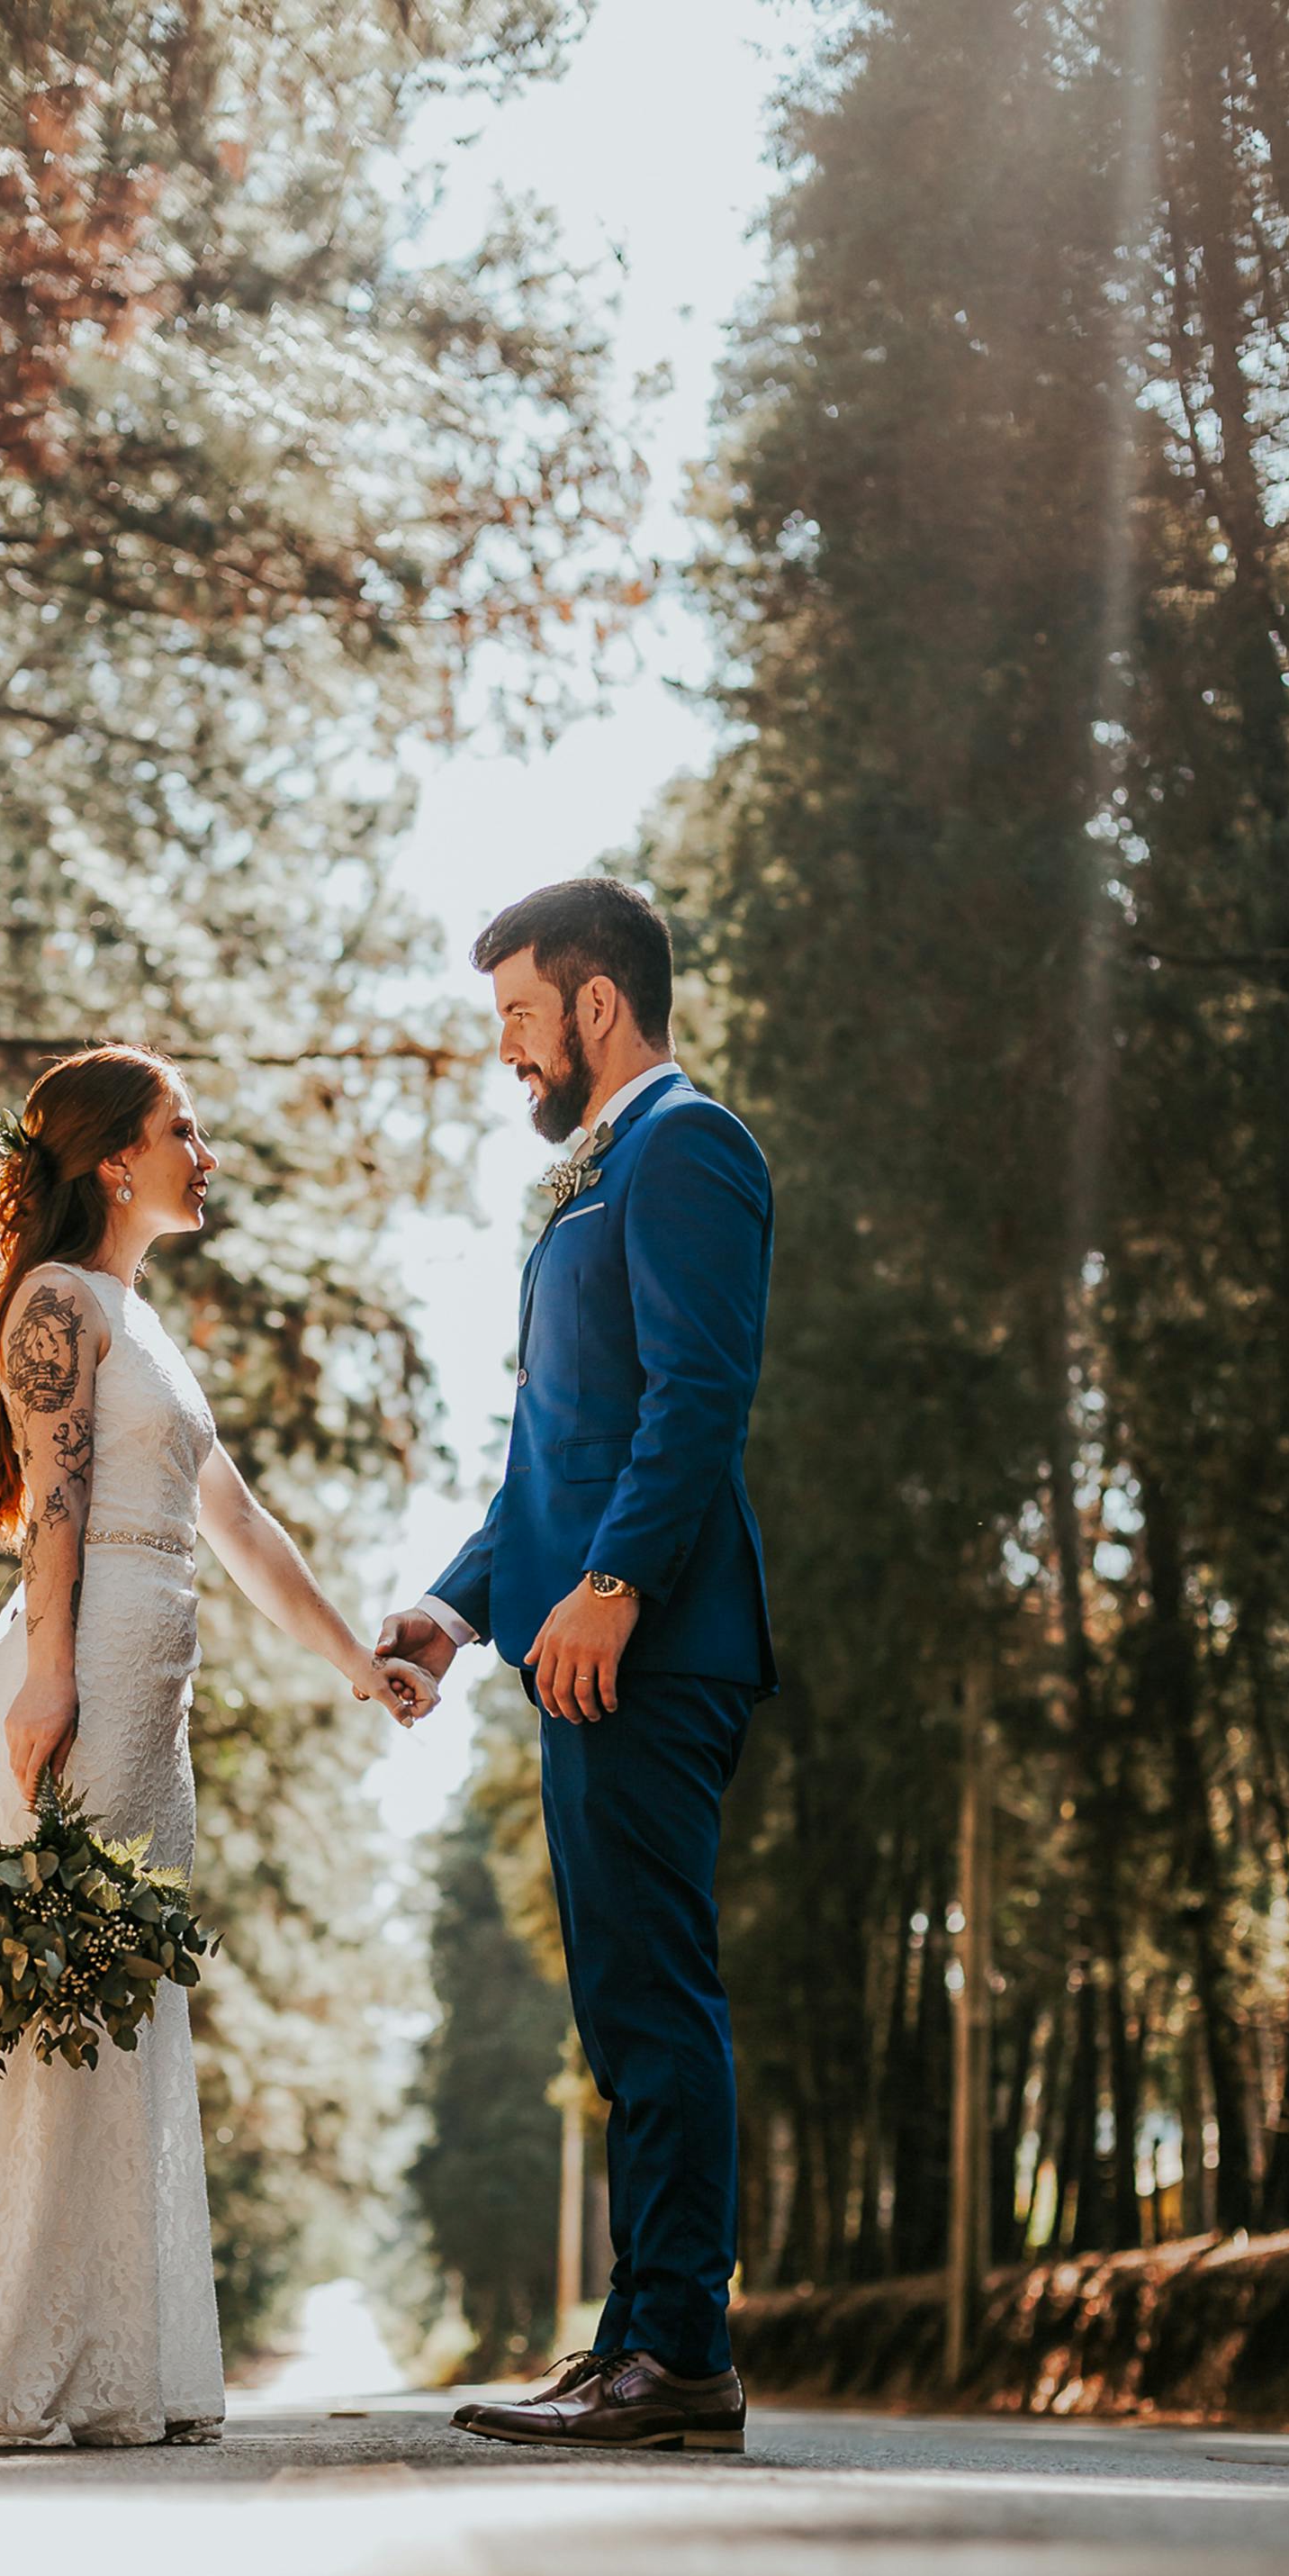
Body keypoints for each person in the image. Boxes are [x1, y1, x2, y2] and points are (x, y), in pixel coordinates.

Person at [0, 1044, 437, 2451]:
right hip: (74, 1679)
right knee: (49, 2005)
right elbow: (54, 1509)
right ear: (113, 1161)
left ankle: (103, 2363)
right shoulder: (58, 1303)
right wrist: (47, 1681)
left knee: (115, 1999)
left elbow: (244, 1528)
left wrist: (360, 1663)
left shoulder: (143, 1324)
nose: (204, 1157)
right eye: (182, 1132)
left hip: (144, 1693)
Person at [378, 878, 777, 2453]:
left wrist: (613, 1583)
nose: (508, 1051)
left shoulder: (689, 1147)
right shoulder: (600, 1173)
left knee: (656, 1994)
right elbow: (559, 1449)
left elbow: (698, 1397)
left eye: (519, 1017)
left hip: (653, 1645)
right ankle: (637, 2337)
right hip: (577, 1653)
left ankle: (680, 2352)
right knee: (619, 2008)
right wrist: (458, 1607)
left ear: (597, 1003)